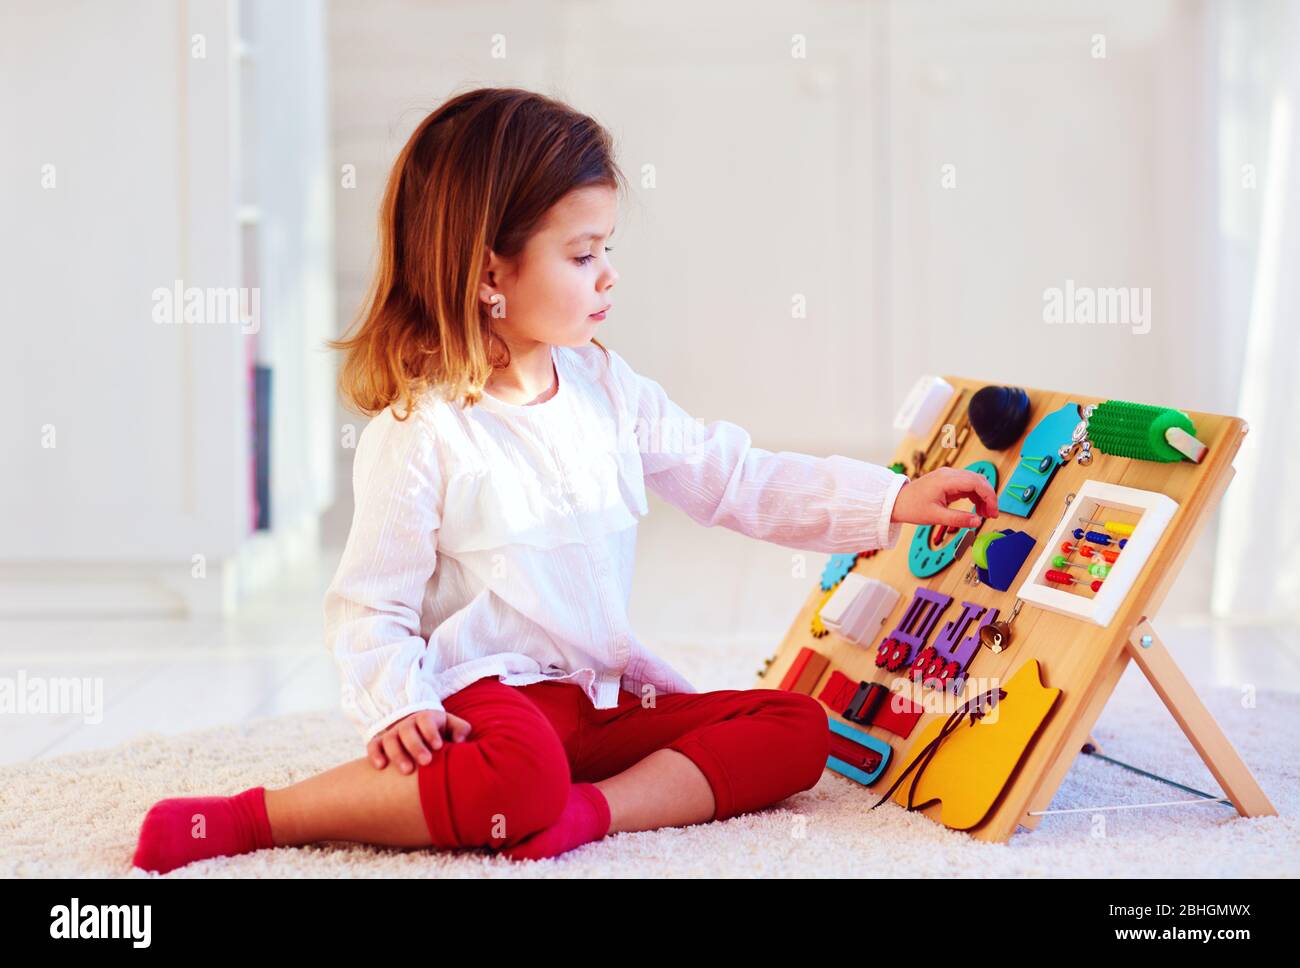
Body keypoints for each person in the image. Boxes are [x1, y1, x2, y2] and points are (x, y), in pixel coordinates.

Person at [131, 87, 997, 874]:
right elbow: (369, 608)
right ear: (487, 275)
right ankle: (258, 818)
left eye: (607, 248)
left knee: (798, 728)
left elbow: (730, 476)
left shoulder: (606, 386)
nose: (609, 274)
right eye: (582, 254)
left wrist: (891, 502)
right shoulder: (423, 431)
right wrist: (396, 706)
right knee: (514, 774)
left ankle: (590, 813)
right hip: (492, 703)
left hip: (607, 700)